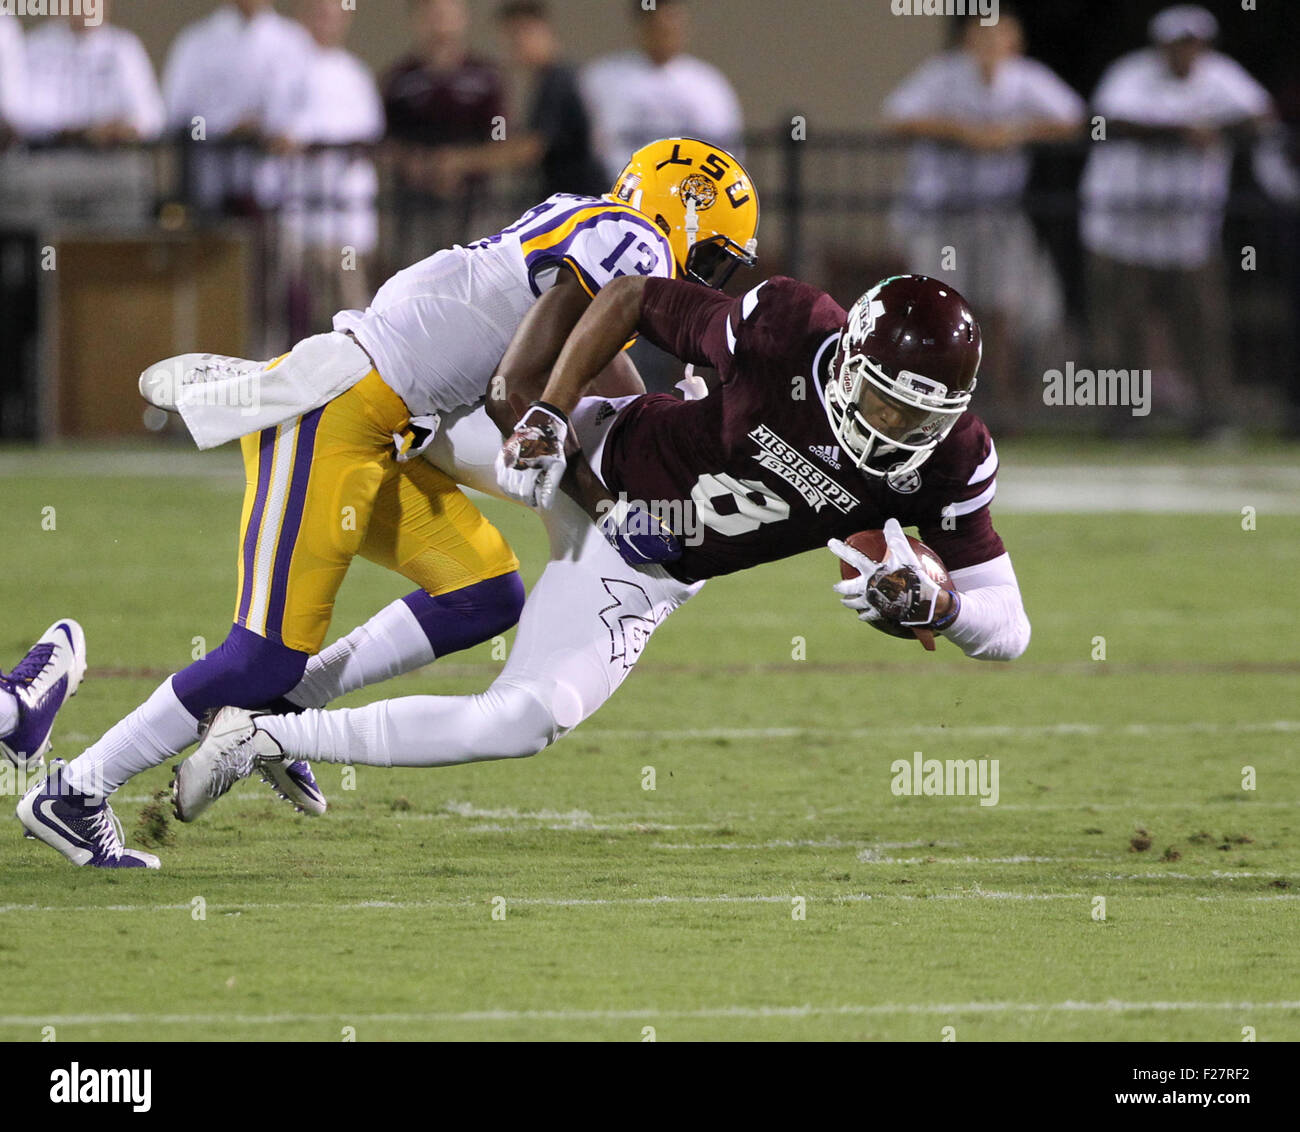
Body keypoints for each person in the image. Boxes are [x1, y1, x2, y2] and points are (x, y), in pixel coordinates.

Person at [17, 138, 761, 868]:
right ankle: (77, 791)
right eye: (720, 254)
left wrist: (655, 419)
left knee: (484, 592)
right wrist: (610, 510)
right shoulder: (635, 242)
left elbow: (591, 354)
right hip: (337, 412)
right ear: (685, 218)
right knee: (264, 653)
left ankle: (275, 715)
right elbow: (514, 392)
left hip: (388, 426)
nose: (717, 275)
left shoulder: (602, 229)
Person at [172, 270, 1030, 814]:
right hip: (588, 449)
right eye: (884, 402)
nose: (894, 429)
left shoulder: (950, 458)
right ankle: (289, 378)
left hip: (644, 562)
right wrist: (547, 410)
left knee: (524, 720)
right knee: (390, 404)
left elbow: (1009, 624)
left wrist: (946, 608)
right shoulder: (785, 331)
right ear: (846, 364)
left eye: (920, 417)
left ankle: (270, 732)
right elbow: (627, 295)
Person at [1079, 5, 1278, 438]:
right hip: (1122, 226)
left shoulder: (1221, 75)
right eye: (1177, 45)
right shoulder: (1130, 74)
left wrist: (1218, 128)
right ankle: (1125, 421)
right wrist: (1180, 131)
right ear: (1160, 46)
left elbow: (1261, 118)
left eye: (1194, 44)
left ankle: (1213, 419)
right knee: (1121, 328)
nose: (1186, 54)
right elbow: (1103, 122)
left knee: (1203, 327)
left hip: (1188, 231)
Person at [882, 10, 1083, 430]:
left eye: (999, 40)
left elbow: (1075, 120)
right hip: (939, 214)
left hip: (997, 214)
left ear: (1015, 44)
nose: (990, 48)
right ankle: (925, 405)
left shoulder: (1024, 78)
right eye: (982, 39)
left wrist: (1015, 132)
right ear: (967, 42)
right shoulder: (943, 74)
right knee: (934, 308)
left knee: (1004, 308)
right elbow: (896, 118)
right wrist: (964, 133)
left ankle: (1000, 406)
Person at [260, 0, 386, 337]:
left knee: (351, 303)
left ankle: (358, 376)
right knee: (294, 303)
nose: (326, 23)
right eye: (318, 14)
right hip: (300, 209)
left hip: (345, 209)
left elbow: (367, 131)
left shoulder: (354, 73)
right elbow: (277, 131)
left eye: (333, 16)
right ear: (304, 17)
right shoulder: (285, 72)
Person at [424, 1, 605, 200]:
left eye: (517, 36)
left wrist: (462, 161)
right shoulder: (546, 81)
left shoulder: (558, 81)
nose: (512, 47)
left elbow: (529, 149)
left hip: (580, 201)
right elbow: (507, 134)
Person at [162, 0, 315, 214]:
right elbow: (178, 116)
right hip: (214, 189)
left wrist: (290, 132)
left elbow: (311, 107)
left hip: (278, 187)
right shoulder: (196, 42)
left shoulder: (293, 40)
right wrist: (223, 128)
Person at [582, 0, 743, 184]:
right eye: (656, 24)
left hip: (689, 195)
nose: (665, 31)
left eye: (672, 22)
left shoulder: (708, 84)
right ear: (641, 26)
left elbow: (728, 149)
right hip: (618, 193)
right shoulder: (602, 78)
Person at [21, 0, 164, 145]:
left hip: (113, 156)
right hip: (53, 156)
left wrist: (119, 129)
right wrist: (83, 132)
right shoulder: (35, 47)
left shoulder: (125, 47)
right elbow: (25, 117)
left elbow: (152, 117)